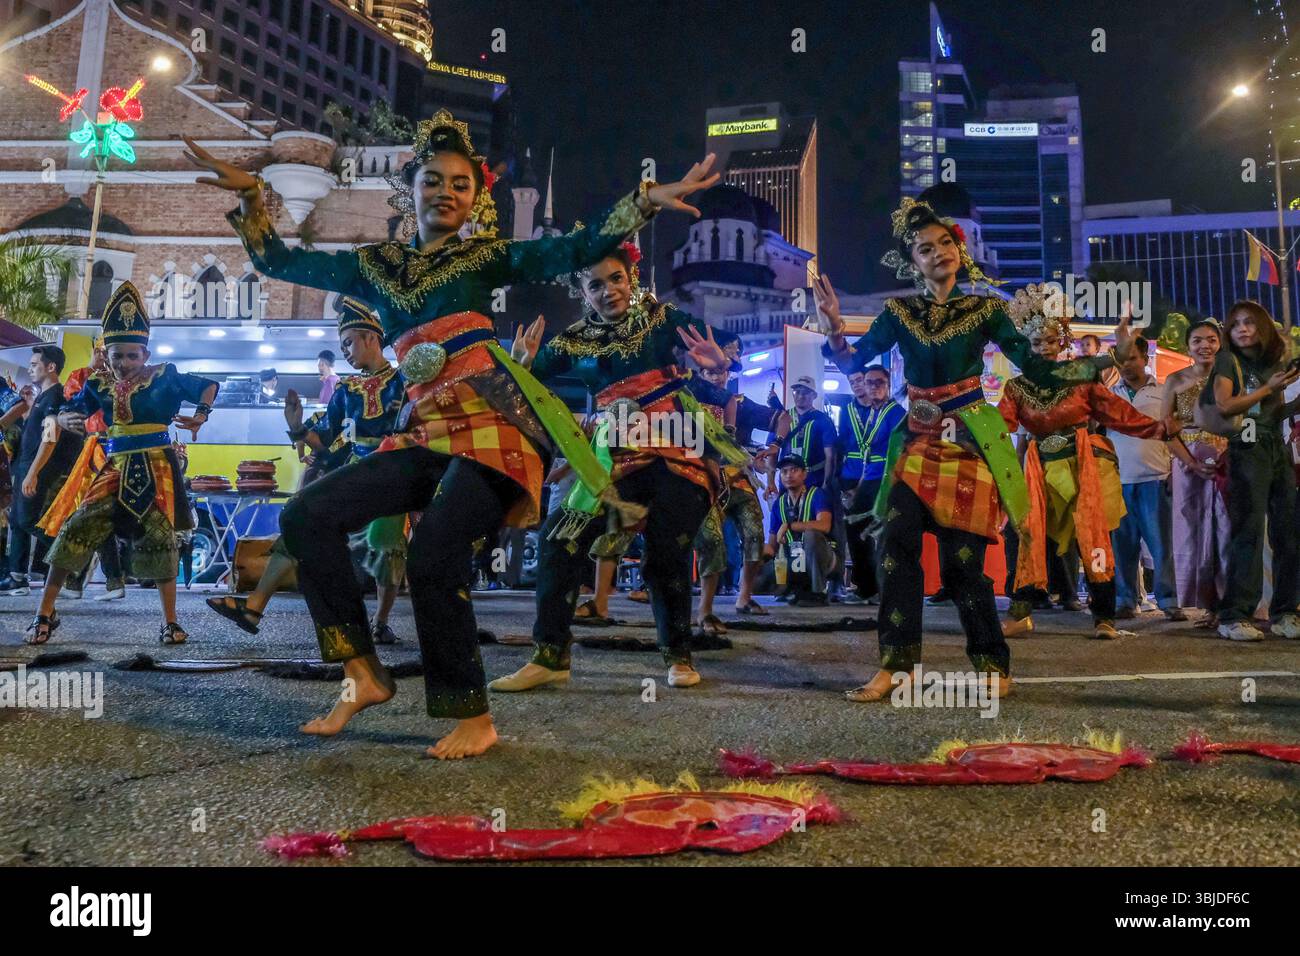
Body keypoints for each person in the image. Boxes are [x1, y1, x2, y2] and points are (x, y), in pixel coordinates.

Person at [188, 109, 717, 758]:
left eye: (461, 184)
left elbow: (570, 249)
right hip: (426, 431)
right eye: (434, 180)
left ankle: (473, 715)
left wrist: (642, 202)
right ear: (412, 186)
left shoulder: (483, 258)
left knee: (436, 551)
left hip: (495, 424)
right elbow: (279, 261)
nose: (446, 192)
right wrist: (251, 199)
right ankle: (361, 673)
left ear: (476, 199)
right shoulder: (375, 266)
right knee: (307, 514)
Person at [817, 196, 1135, 702]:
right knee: (896, 547)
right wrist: (835, 329)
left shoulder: (986, 309)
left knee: (963, 564)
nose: (938, 252)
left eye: (945, 242)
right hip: (917, 440)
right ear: (913, 261)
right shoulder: (899, 312)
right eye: (925, 248)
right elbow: (855, 362)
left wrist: (1100, 362)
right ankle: (896, 666)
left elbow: (1038, 372)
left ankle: (991, 662)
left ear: (959, 252)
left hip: (968, 439)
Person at [493, 238, 739, 693]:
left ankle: (678, 655)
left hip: (673, 451)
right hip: (608, 456)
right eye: (595, 285)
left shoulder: (664, 320)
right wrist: (521, 365)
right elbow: (525, 383)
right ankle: (550, 654)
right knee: (557, 539)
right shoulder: (576, 338)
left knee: (667, 552)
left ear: (632, 278)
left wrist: (719, 362)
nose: (608, 291)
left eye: (616, 279)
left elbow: (724, 347)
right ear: (582, 293)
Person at [206, 297, 407, 642]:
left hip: (394, 473)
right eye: (342, 345)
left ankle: (380, 622)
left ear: (372, 338)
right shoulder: (346, 390)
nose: (344, 351)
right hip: (356, 471)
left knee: (386, 543)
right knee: (302, 521)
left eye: (349, 343)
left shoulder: (404, 380)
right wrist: (297, 426)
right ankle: (254, 606)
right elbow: (325, 437)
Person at [28, 282, 218, 644]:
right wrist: (66, 419)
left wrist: (201, 415)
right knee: (76, 528)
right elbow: (75, 410)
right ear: (108, 354)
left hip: (157, 467)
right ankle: (44, 613)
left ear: (145, 355)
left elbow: (208, 385)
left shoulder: (166, 376)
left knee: (162, 537)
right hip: (113, 467)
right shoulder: (98, 384)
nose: (125, 363)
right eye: (118, 355)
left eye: (132, 355)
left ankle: (171, 621)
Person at [997, 287, 1173, 640]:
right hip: (1039, 469)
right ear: (1025, 348)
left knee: (1091, 536)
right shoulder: (1016, 387)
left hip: (1082, 466)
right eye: (1035, 344)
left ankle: (1103, 617)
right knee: (1029, 535)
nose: (1043, 348)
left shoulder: (1078, 375)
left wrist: (1160, 428)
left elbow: (1116, 411)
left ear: (1062, 342)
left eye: (1049, 341)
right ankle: (1021, 612)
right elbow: (1002, 429)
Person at [1200, 300, 1300, 641]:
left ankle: (1286, 612)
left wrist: (1288, 400)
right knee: (1249, 532)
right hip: (1246, 449)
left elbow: (1273, 412)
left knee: (1289, 532)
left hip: (1276, 446)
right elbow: (1225, 405)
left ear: (1263, 327)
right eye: (1236, 323)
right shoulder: (1228, 360)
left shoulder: (1273, 361)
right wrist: (1268, 388)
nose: (1242, 328)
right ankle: (1234, 615)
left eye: (1250, 322)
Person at [0, 346, 84, 598]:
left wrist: (33, 472)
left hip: (37, 467)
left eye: (35, 364)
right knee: (18, 520)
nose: (30, 368)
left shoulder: (55, 397)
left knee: (29, 520)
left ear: (51, 367)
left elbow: (49, 437)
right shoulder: (42, 396)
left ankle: (74, 564)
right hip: (24, 464)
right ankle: (17, 577)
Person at [1108, 337, 1182, 620]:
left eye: (1133, 358)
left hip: (1155, 477)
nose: (1127, 365)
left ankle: (1169, 600)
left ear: (1145, 358)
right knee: (1122, 546)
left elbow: (1176, 434)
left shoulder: (1164, 393)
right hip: (1118, 480)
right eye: (1122, 359)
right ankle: (1126, 600)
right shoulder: (1108, 395)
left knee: (1162, 544)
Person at [1162, 318, 1230, 627]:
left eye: (1211, 340)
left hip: (1225, 463)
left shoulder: (1229, 380)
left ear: (1220, 343)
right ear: (1188, 346)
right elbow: (1166, 430)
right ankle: (1206, 606)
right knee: (1193, 532)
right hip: (1188, 466)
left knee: (1226, 532)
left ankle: (1230, 605)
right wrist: (1191, 463)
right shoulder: (1175, 381)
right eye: (1198, 340)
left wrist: (1225, 458)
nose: (1205, 345)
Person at [692, 363, 767, 633]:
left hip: (738, 477)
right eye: (709, 372)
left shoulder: (743, 404)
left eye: (719, 372)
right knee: (712, 539)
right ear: (701, 375)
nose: (715, 376)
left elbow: (783, 418)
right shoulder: (688, 402)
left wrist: (775, 446)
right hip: (701, 479)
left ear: (728, 375)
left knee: (755, 533)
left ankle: (744, 598)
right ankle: (705, 610)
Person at [60, 338, 127, 601]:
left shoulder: (120, 379)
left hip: (107, 450)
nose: (103, 357)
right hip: (91, 449)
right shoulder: (85, 377)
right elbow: (73, 402)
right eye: (99, 351)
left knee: (90, 514)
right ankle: (85, 581)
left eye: (106, 352)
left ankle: (83, 580)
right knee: (90, 515)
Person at [838, 365, 905, 604]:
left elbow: (899, 450)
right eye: (870, 383)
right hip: (869, 478)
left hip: (886, 480)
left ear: (888, 386)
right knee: (857, 529)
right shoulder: (872, 413)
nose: (874, 387)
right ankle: (868, 587)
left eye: (879, 383)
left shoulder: (895, 413)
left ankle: (881, 589)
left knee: (881, 534)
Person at [764, 453, 836, 605]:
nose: (789, 475)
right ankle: (789, 588)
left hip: (821, 558)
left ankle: (818, 592)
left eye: (794, 470)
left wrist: (790, 525)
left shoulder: (817, 494)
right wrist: (757, 549)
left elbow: (825, 525)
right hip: (793, 560)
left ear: (804, 474)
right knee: (757, 570)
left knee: (811, 535)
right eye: (784, 471)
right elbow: (772, 545)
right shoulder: (779, 503)